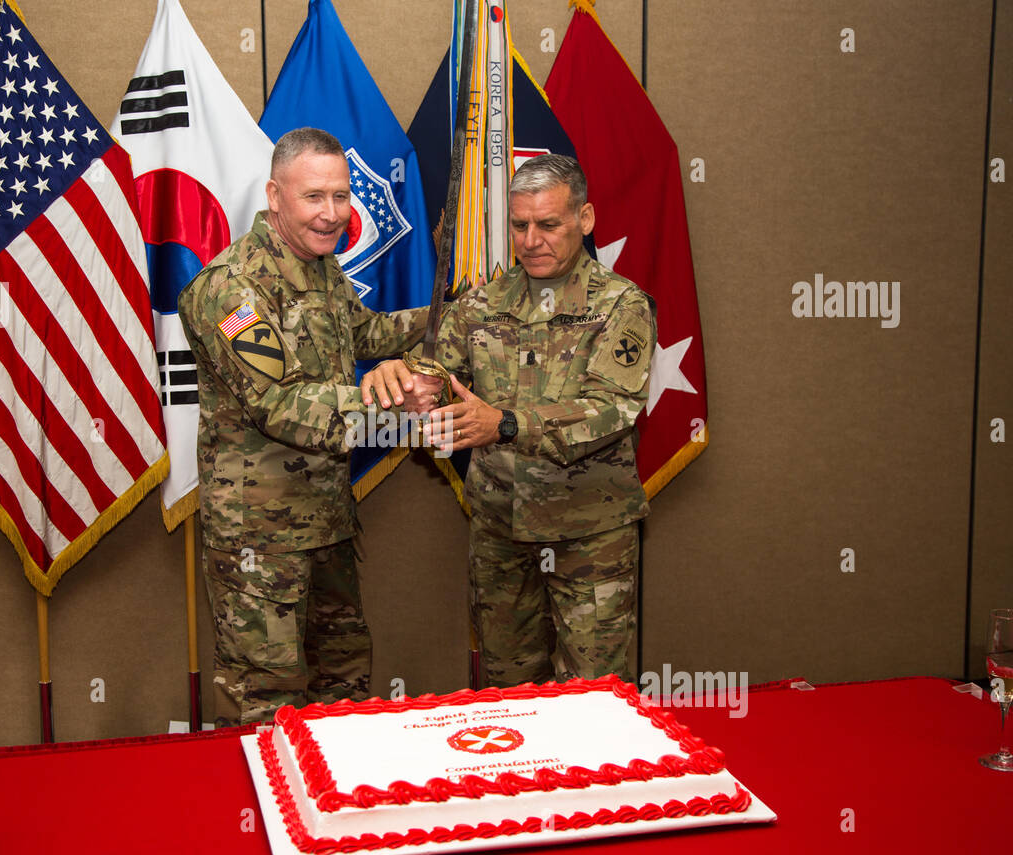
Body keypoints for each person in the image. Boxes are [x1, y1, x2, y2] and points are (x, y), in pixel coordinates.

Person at [362, 154, 656, 686]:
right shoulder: (480, 304)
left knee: (595, 695)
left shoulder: (620, 305)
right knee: (508, 690)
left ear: (584, 219)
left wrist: (505, 424)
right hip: (500, 532)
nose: (532, 239)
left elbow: (612, 408)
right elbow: (434, 374)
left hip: (588, 533)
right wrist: (406, 383)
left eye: (549, 224)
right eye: (519, 225)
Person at [178, 128, 426, 726]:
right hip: (261, 541)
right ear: (274, 196)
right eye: (314, 197)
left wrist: (447, 317)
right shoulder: (231, 291)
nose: (333, 214)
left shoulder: (319, 268)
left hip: (325, 522)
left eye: (342, 197)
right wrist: (394, 397)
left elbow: (362, 333)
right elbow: (279, 405)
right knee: (267, 704)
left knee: (343, 693)